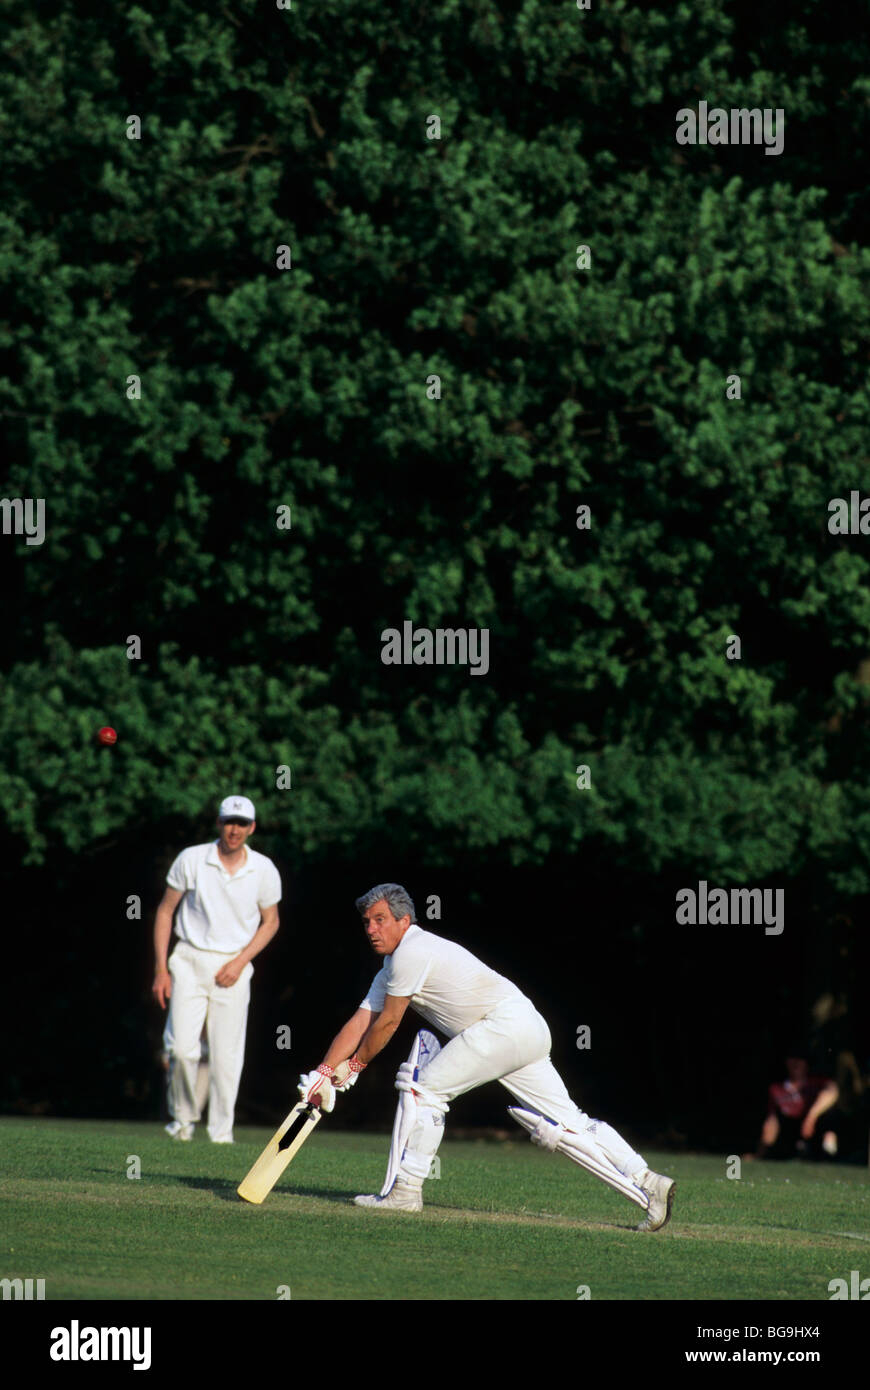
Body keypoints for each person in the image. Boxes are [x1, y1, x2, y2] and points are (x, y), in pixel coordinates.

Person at [297, 883, 675, 1232]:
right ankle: (648, 1182)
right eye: (366, 922)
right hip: (527, 1027)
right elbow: (362, 1020)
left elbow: (390, 1022)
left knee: (424, 1091)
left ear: (404, 920)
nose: (371, 929)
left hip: (502, 1027)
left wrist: (356, 1066)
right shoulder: (392, 967)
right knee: (570, 1123)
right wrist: (325, 1071)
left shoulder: (411, 952)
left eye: (380, 920)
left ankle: (406, 1192)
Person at [152, 795, 282, 1143]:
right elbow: (165, 911)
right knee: (181, 1049)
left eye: (241, 823)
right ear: (219, 823)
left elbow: (271, 922)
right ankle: (181, 1122)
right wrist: (160, 969)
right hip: (189, 960)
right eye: (228, 822)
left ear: (251, 828)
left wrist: (240, 962)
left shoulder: (264, 869)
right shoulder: (192, 859)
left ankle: (221, 1133)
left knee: (226, 1056)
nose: (234, 829)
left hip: (234, 966)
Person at [755, 1052, 839, 1160]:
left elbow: (832, 1091)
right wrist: (759, 1153)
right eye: (792, 1059)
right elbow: (771, 1122)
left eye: (800, 1060)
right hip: (791, 1133)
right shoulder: (776, 1089)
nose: (796, 1064)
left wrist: (811, 1117)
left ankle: (829, 1154)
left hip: (815, 1129)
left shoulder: (816, 1083)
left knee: (830, 1114)